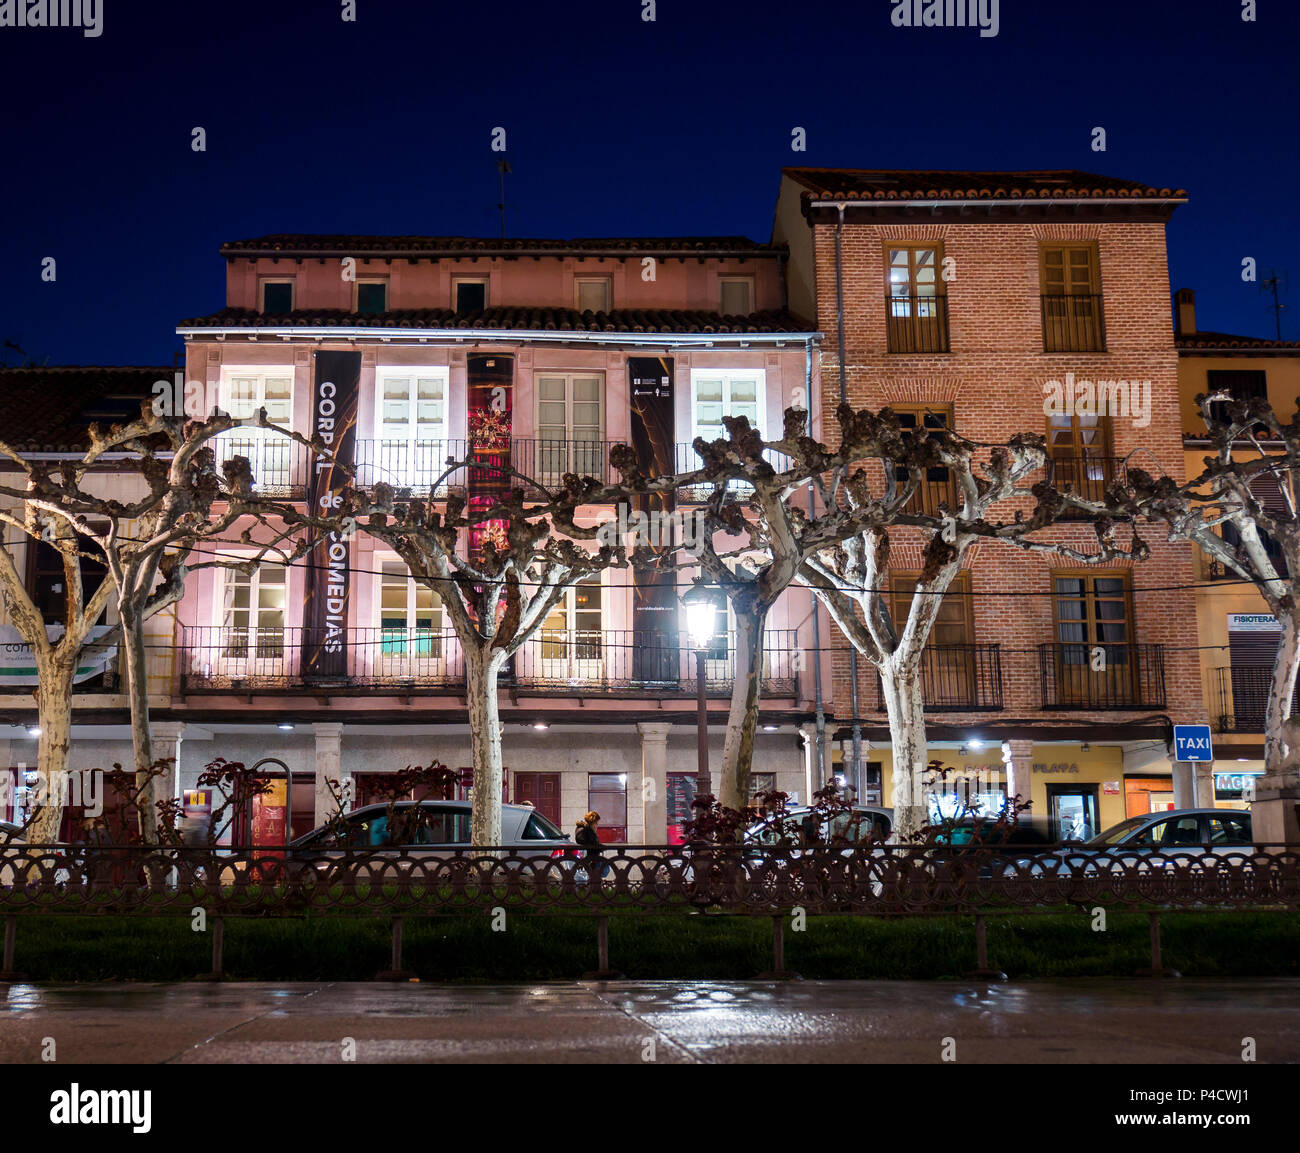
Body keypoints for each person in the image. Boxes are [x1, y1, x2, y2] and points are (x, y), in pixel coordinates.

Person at [574, 810, 607, 881]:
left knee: (604, 870)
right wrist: (597, 845)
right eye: (596, 823)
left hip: (590, 859)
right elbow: (582, 840)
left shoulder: (586, 829)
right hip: (589, 859)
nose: (597, 826)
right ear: (592, 822)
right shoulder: (585, 830)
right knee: (604, 870)